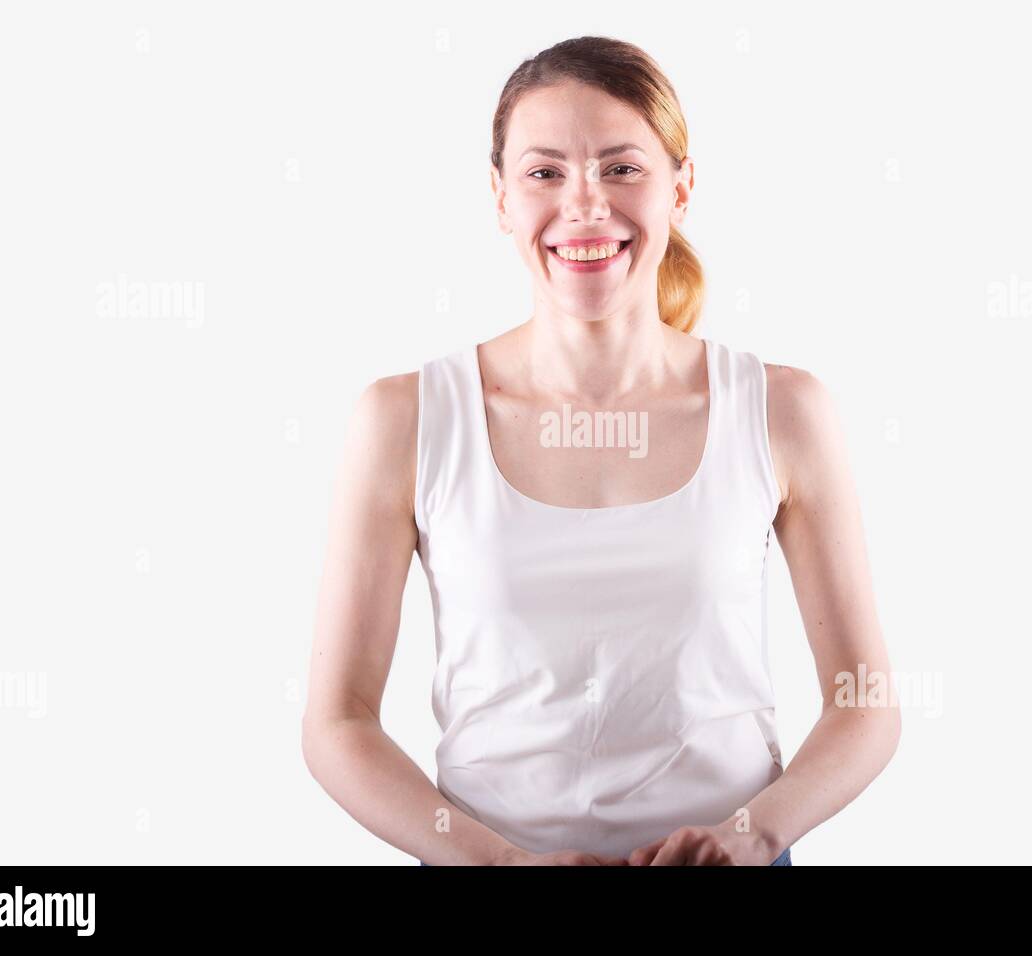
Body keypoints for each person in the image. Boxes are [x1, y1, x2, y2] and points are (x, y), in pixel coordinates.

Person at [302, 36, 900, 866]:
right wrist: (499, 861)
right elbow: (338, 723)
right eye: (545, 172)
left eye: (622, 168)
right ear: (500, 197)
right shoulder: (404, 418)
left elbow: (864, 703)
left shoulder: (782, 411)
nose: (584, 206)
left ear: (681, 187)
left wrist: (746, 837)